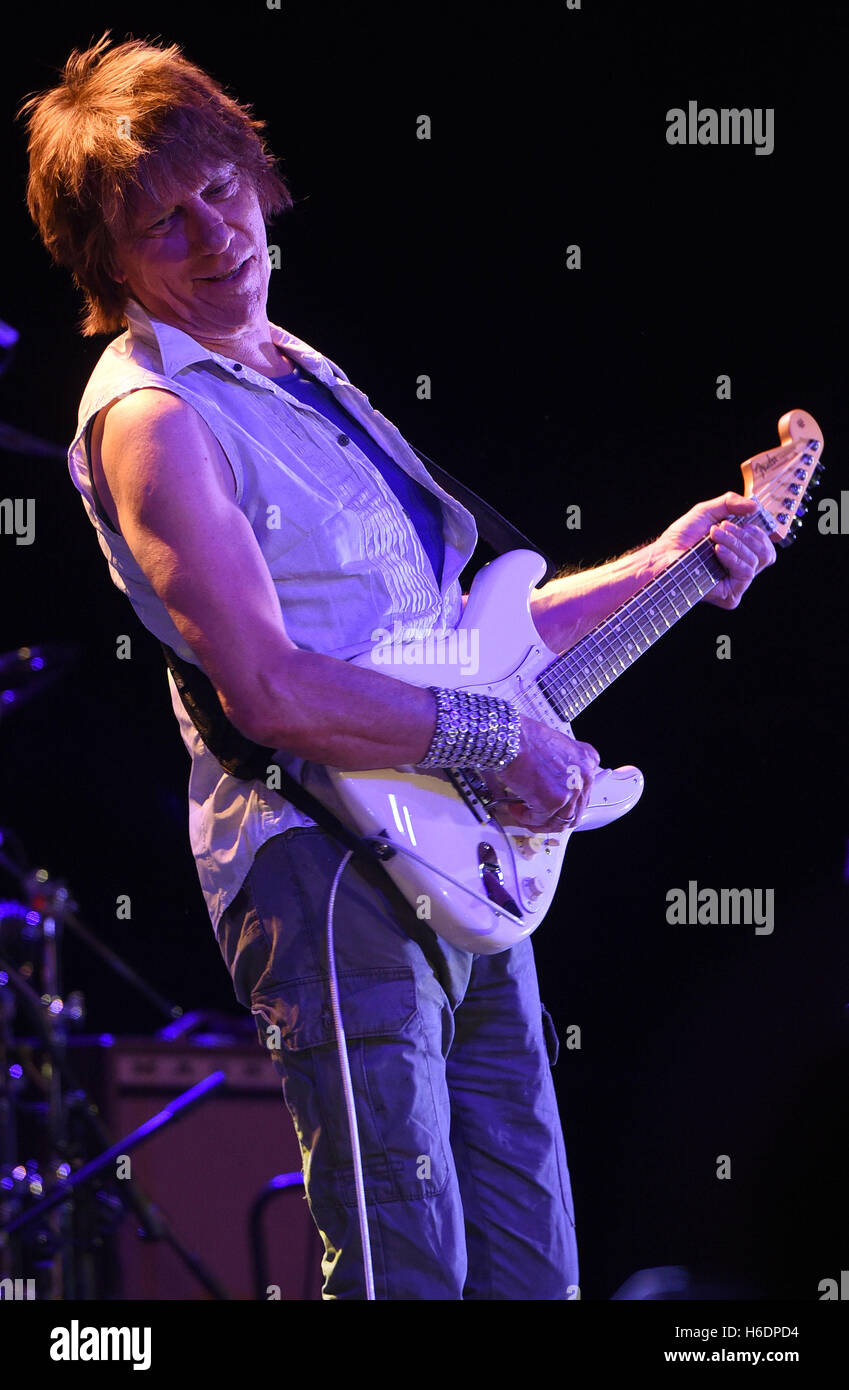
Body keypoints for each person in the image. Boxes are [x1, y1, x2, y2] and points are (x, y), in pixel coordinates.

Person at [19, 34, 776, 1300]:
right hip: (322, 859)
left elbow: (461, 643)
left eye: (221, 188)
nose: (215, 234)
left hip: (448, 845)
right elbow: (269, 688)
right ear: (109, 267)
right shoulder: (152, 417)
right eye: (164, 223)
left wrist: (664, 561)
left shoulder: (302, 367)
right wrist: (497, 743)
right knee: (399, 1263)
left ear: (256, 172)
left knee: (535, 1261)